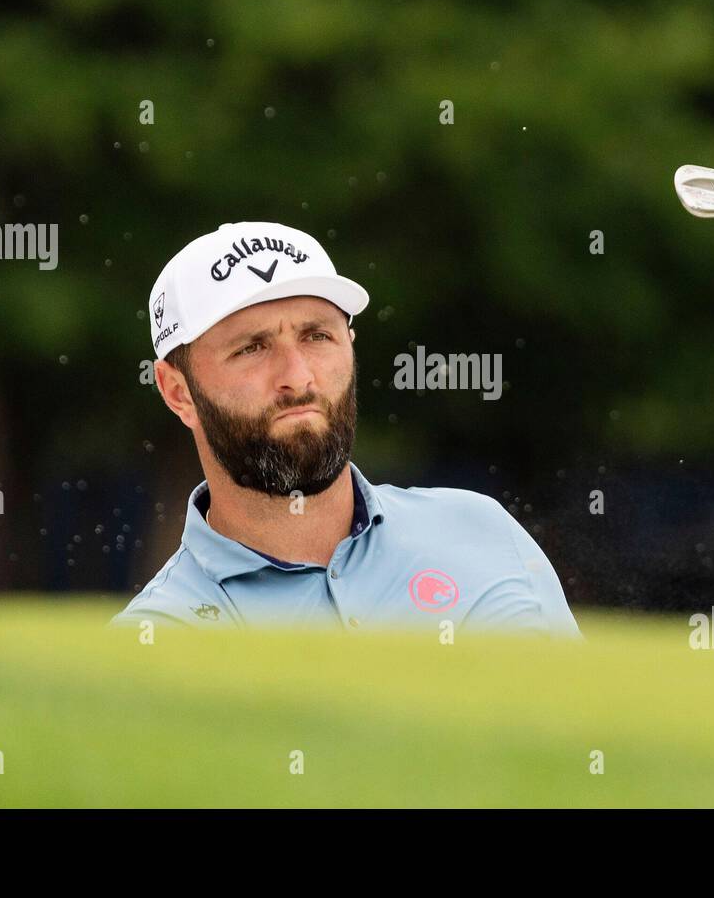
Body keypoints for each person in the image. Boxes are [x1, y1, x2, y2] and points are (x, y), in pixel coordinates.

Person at [110, 221, 581, 639]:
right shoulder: (158, 637)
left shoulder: (483, 530)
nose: (297, 376)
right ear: (178, 392)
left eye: (317, 336)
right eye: (251, 348)